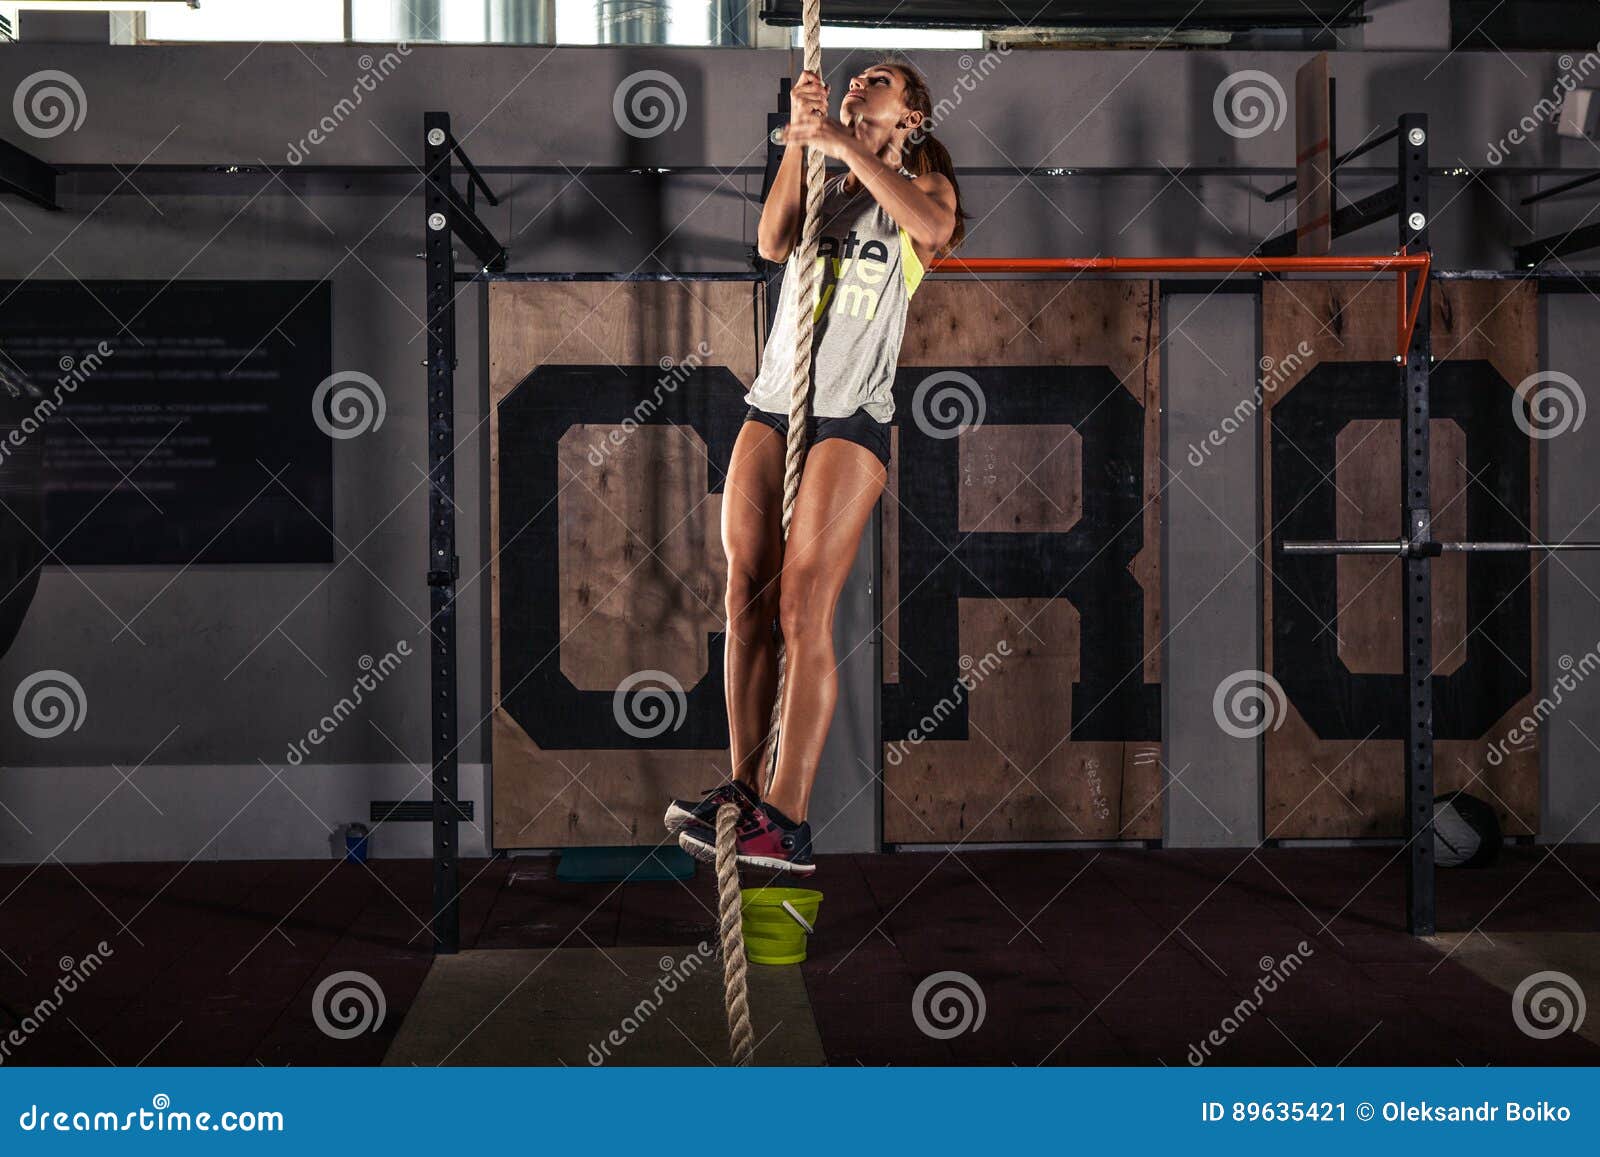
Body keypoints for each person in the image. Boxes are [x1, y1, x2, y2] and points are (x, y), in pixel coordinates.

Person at [665, 56, 967, 874]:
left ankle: (788, 818)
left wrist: (838, 137)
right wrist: (802, 141)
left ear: (910, 117)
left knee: (802, 606)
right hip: (774, 401)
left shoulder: (924, 187)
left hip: (850, 413)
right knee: (745, 594)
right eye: (856, 76)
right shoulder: (823, 178)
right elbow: (771, 241)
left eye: (880, 81)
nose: (859, 81)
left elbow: (934, 230)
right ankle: (742, 790)